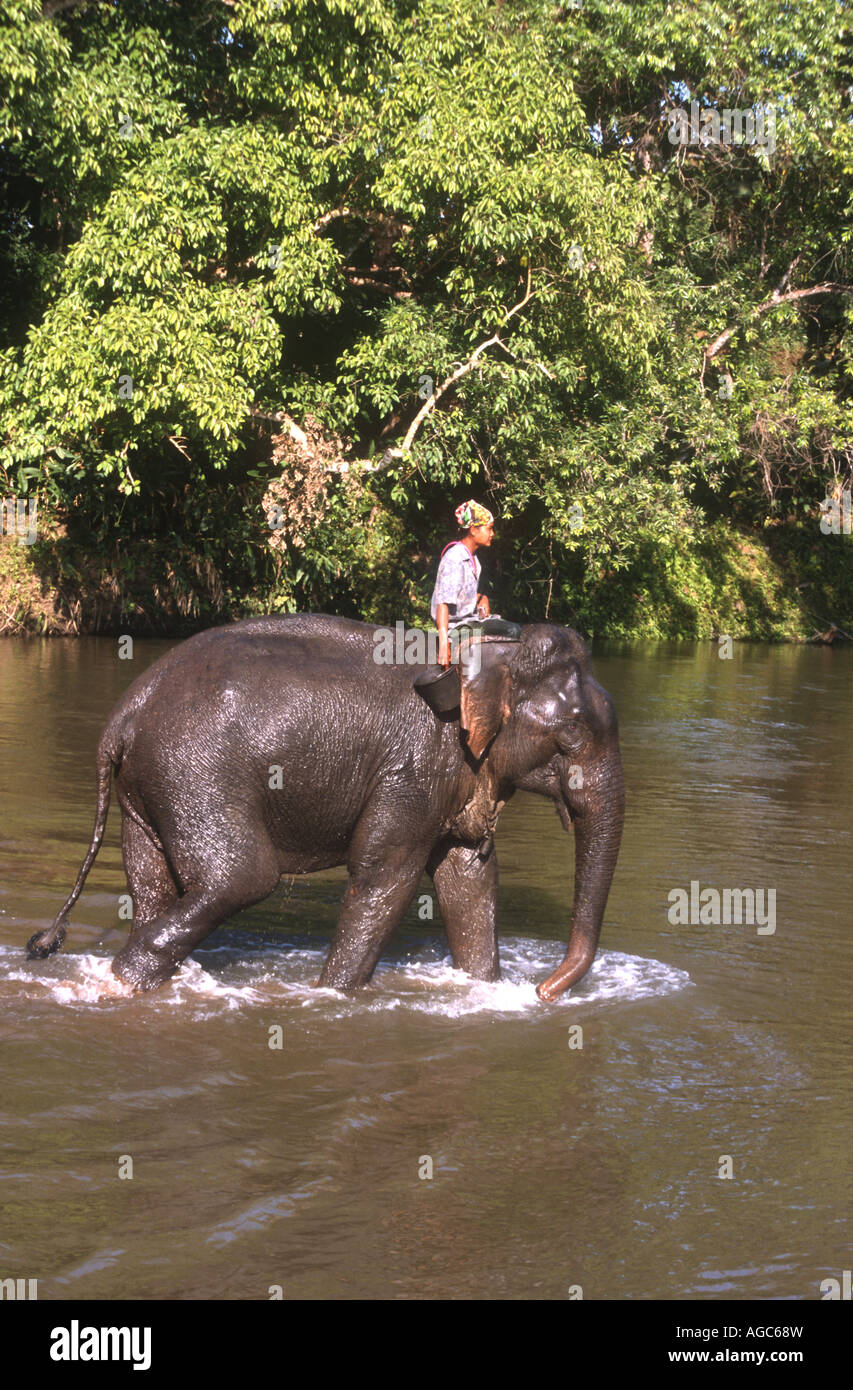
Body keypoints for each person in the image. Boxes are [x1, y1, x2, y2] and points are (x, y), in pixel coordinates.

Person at [431, 500, 519, 667]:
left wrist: (480, 598)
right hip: (455, 628)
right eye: (489, 528)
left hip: (467, 621)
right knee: (512, 630)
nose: (492, 533)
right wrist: (444, 644)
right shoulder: (454, 558)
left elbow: (461, 593)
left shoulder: (473, 560)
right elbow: (442, 602)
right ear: (473, 530)